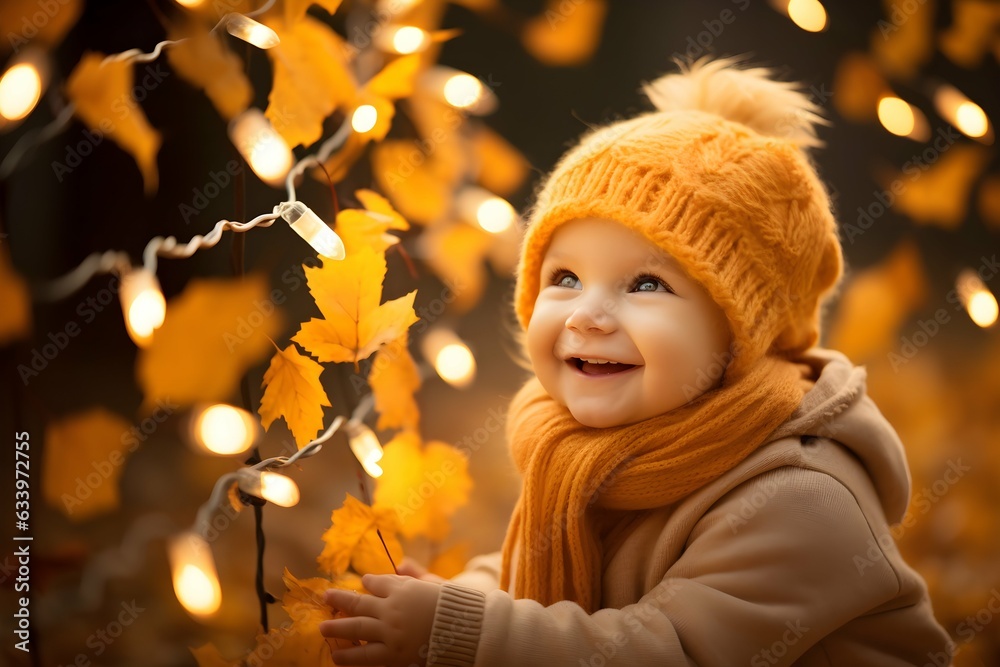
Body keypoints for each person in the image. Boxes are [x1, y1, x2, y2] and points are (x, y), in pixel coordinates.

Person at [319, 57, 953, 666]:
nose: (586, 315)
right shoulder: (585, 447)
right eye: (564, 276)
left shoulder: (799, 497)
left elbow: (668, 649)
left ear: (741, 334)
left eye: (646, 285)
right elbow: (545, 580)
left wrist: (464, 630)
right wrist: (464, 598)